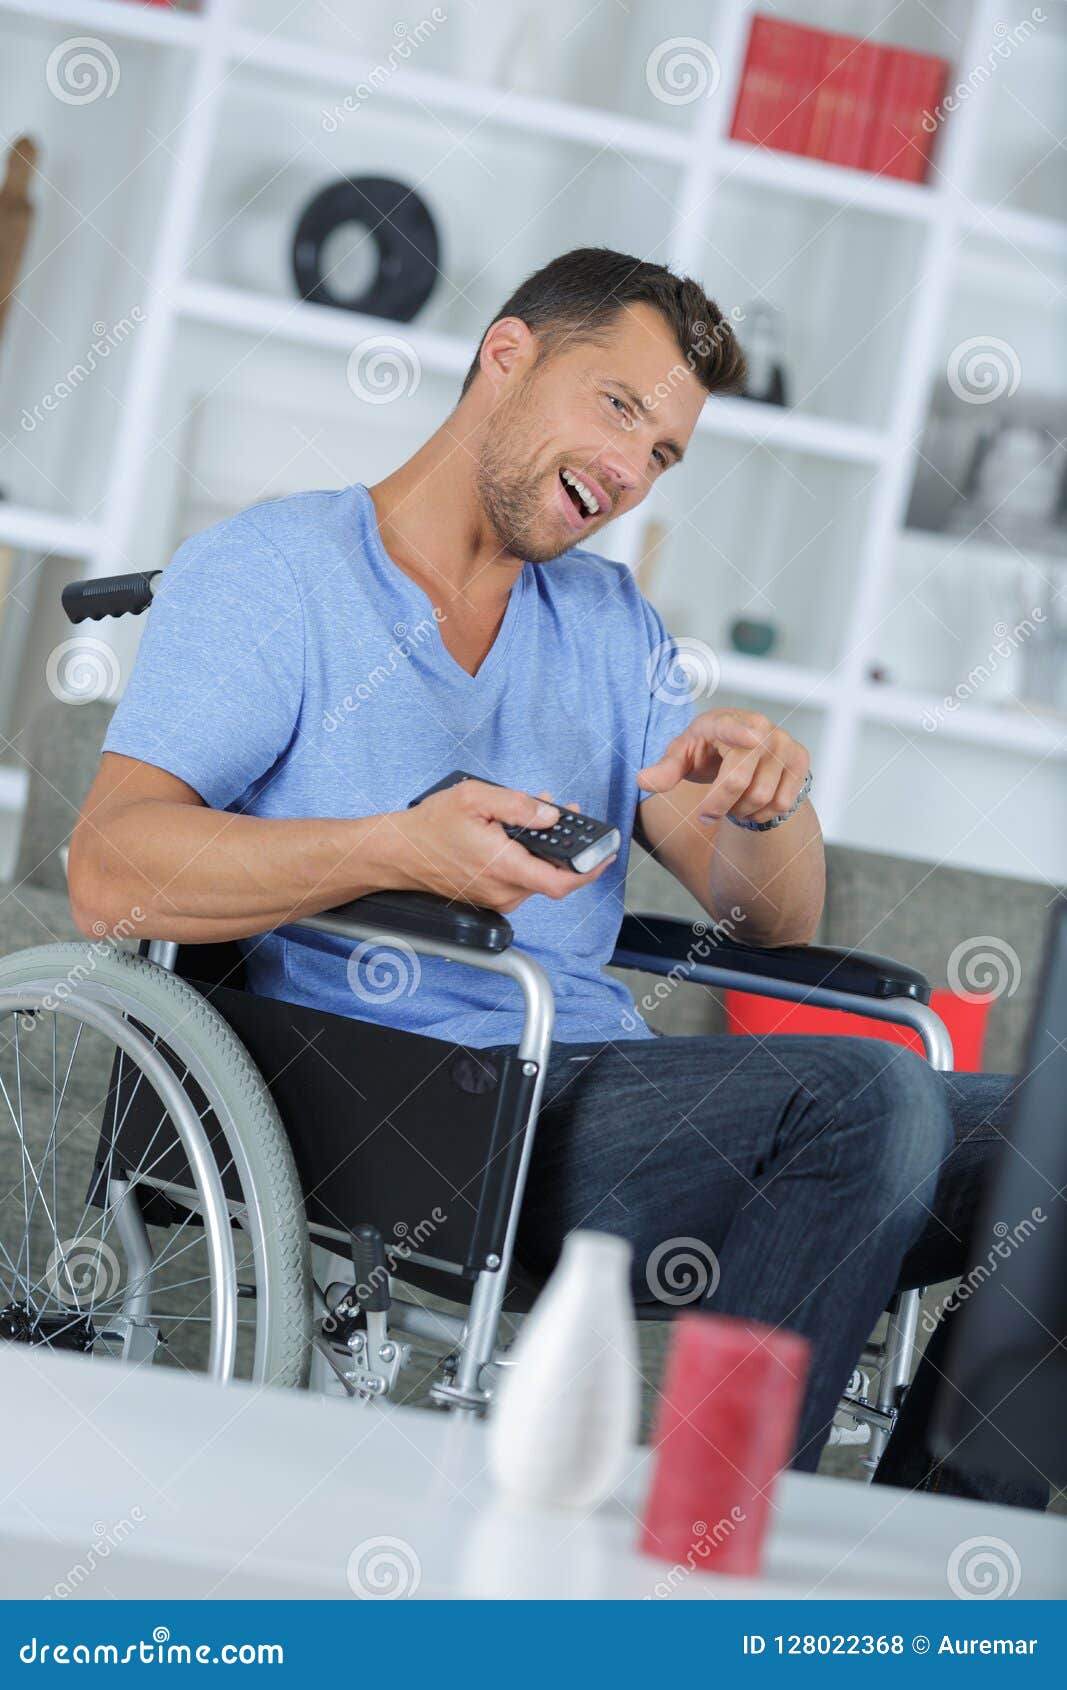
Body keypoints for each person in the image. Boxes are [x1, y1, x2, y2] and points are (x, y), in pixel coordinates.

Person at [68, 247, 1045, 1509]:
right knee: (867, 1094)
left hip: (591, 1093)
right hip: (401, 1100)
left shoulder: (606, 622)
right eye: (618, 407)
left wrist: (766, 801)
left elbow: (772, 918)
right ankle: (695, 1550)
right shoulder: (276, 572)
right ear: (506, 355)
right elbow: (111, 870)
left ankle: (930, 1553)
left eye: (665, 452)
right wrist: (395, 845)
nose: (631, 469)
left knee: (1046, 1135)